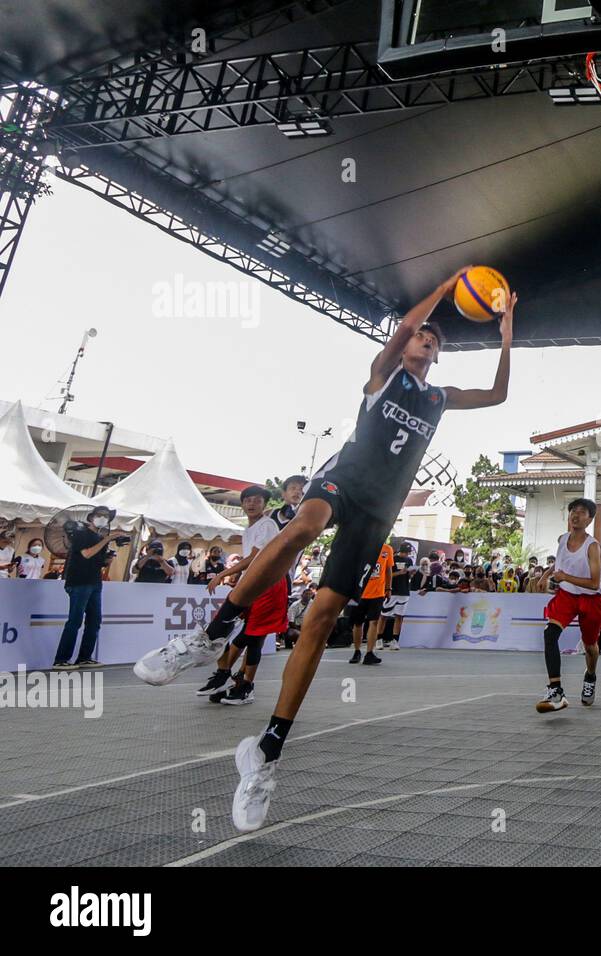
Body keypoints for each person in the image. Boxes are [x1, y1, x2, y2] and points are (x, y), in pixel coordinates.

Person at [132, 266, 514, 833]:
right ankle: (209, 635)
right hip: (343, 482)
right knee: (303, 526)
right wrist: (447, 284)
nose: (424, 340)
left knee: (320, 619)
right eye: (419, 335)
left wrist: (506, 328)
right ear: (404, 342)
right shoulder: (384, 377)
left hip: (380, 510)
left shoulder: (439, 397)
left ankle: (266, 753)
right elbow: (402, 326)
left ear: (437, 356)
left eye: (433, 341)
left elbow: (500, 393)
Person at [196, 485, 291, 705]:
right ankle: (235, 681)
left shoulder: (267, 525)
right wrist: (238, 579)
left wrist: (223, 574)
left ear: (265, 504)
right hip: (254, 585)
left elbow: (256, 558)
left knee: (246, 635)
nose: (251, 504)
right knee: (239, 634)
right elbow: (251, 562)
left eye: (257, 500)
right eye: (247, 500)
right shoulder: (249, 529)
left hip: (269, 585)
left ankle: (234, 681)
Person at [536, 498, 601, 713]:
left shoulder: (592, 547)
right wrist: (546, 575)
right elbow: (560, 563)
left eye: (582, 512)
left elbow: (595, 583)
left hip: (592, 598)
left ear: (589, 519)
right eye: (573, 511)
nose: (576, 515)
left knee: (589, 646)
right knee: (550, 634)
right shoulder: (562, 539)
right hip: (568, 594)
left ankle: (590, 675)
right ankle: (556, 691)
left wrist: (564, 576)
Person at [53, 505, 127, 669]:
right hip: (79, 582)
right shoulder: (82, 533)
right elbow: (86, 554)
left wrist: (108, 558)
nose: (103, 518)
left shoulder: (98, 537)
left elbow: (98, 561)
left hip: (94, 581)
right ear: (91, 517)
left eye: (106, 516)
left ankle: (84, 656)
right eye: (100, 515)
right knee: (75, 620)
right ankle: (61, 659)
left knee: (94, 620)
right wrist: (107, 539)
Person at [351, 541, 394, 664]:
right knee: (358, 623)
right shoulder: (361, 547)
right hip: (360, 592)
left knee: (374, 621)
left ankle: (369, 652)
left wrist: (388, 588)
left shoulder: (387, 549)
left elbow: (388, 570)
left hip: (378, 593)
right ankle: (357, 651)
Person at [380, 541, 416, 650]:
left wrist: (411, 573)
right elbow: (387, 574)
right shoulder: (393, 559)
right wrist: (399, 573)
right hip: (392, 590)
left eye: (408, 552)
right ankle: (378, 639)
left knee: (399, 616)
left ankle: (395, 640)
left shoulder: (409, 560)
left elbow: (408, 576)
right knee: (384, 615)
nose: (406, 554)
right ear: (401, 551)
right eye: (405, 552)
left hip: (404, 591)